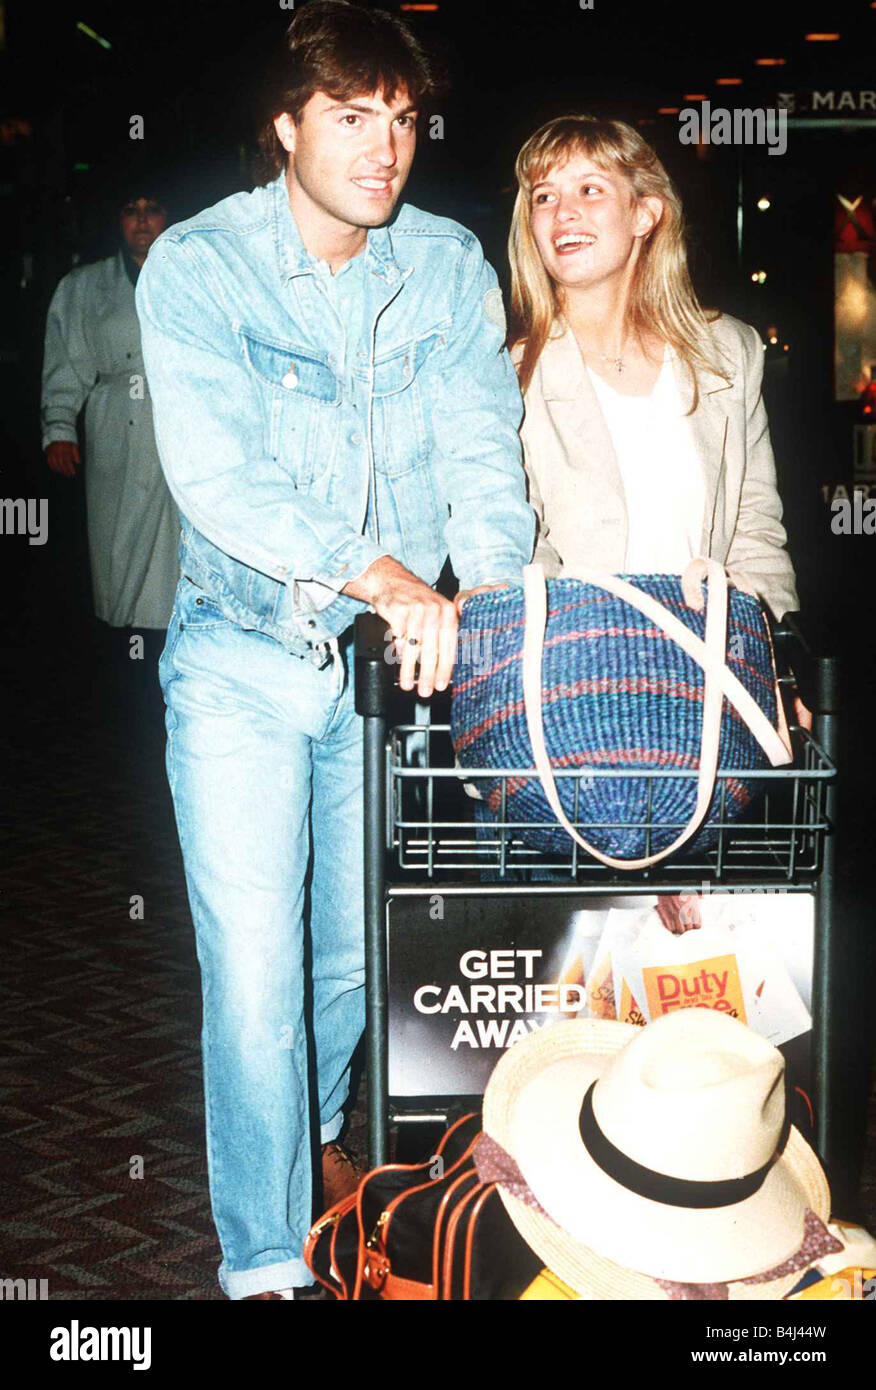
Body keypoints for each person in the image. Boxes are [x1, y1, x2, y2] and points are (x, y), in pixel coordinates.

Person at [135, 1, 534, 1301]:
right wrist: (384, 572)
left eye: (403, 119)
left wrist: (493, 598)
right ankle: (262, 1258)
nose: (385, 147)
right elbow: (219, 477)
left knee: (357, 960)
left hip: (387, 680)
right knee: (256, 969)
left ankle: (309, 1132)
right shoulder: (200, 265)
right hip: (242, 660)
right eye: (352, 116)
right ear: (285, 124)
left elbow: (484, 454)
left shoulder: (448, 266)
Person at [508, 114, 800, 630]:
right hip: (575, 657)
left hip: (712, 659)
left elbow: (755, 532)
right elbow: (520, 546)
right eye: (544, 197)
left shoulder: (729, 353)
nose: (563, 213)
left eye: (589, 189)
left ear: (645, 214)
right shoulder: (511, 374)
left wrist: (758, 639)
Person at [41, 187, 181, 637]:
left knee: (173, 545)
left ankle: (171, 637)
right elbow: (67, 360)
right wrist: (60, 426)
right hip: (116, 423)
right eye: (130, 210)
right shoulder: (85, 285)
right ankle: (121, 639)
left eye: (152, 208)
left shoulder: (191, 274)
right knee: (118, 536)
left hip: (178, 421)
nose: (141, 220)